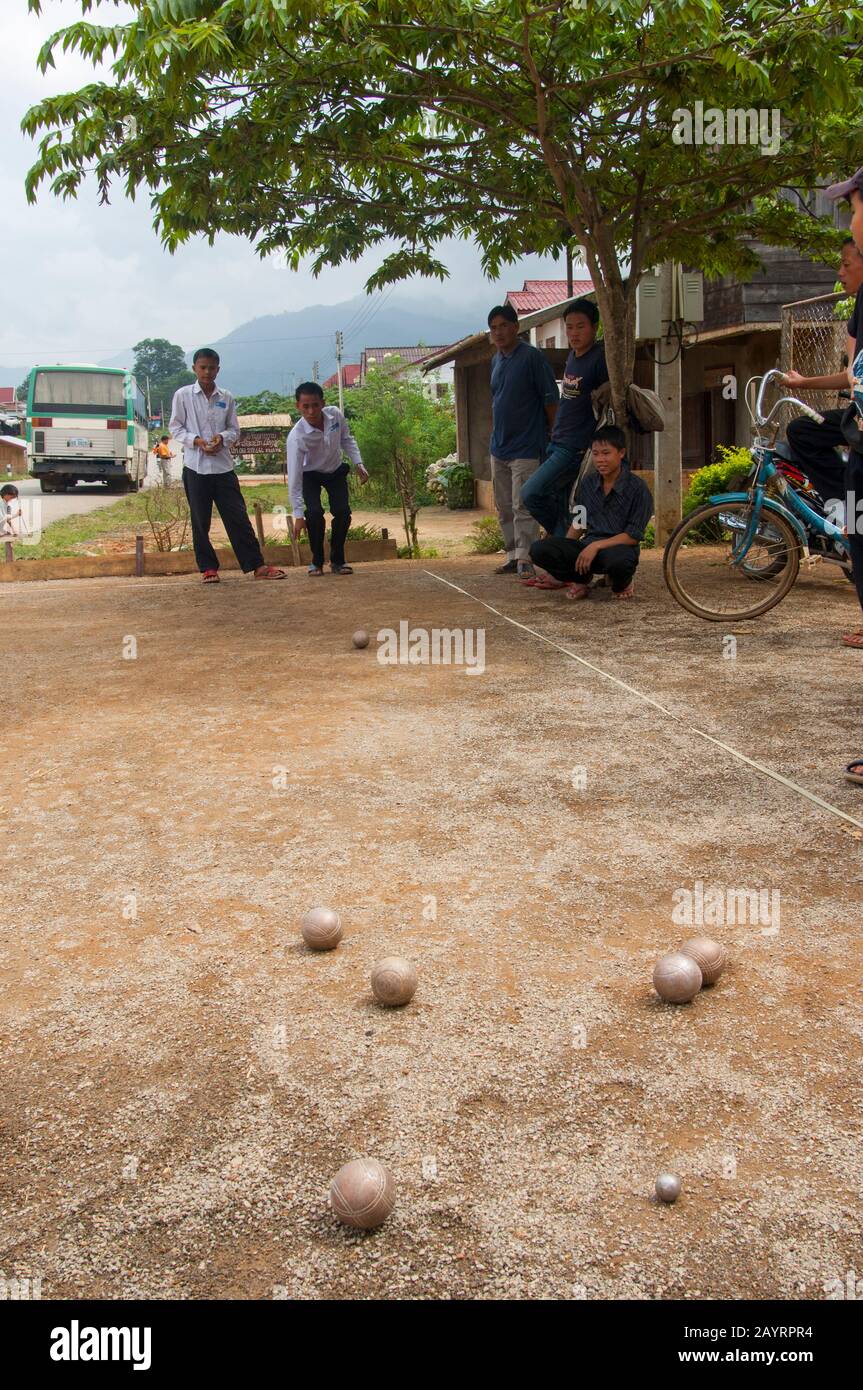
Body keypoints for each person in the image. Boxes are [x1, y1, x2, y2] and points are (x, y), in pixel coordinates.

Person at [169, 348, 284, 583]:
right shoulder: (183, 395)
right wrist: (197, 441)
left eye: (212, 368)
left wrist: (221, 438)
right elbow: (175, 428)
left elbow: (234, 430)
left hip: (223, 468)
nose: (207, 372)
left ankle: (257, 565)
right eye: (203, 367)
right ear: (194, 368)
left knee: (238, 518)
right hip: (195, 468)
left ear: (218, 369)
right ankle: (208, 568)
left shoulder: (226, 397)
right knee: (200, 521)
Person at [526, 424, 652, 601]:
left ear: (621, 453)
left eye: (606, 453)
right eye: (596, 453)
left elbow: (633, 535)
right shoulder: (587, 483)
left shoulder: (638, 488)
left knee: (621, 562)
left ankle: (623, 583)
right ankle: (581, 580)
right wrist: (563, 553)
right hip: (587, 549)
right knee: (539, 549)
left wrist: (596, 546)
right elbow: (579, 522)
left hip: (617, 549)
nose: (600, 459)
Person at [781, 237, 863, 502]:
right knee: (802, 431)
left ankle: (846, 512)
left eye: (846, 264)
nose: (840, 273)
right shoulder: (859, 306)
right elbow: (852, 373)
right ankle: (843, 512)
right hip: (856, 417)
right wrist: (802, 382)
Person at [521, 298, 609, 538]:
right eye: (569, 327)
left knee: (530, 493)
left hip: (575, 447)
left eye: (581, 326)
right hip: (558, 440)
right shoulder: (573, 356)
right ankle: (563, 556)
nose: (574, 332)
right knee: (559, 504)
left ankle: (565, 542)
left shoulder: (600, 359)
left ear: (594, 327)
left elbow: (606, 405)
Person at [487, 304, 559, 579]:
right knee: (504, 505)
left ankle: (527, 559)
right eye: (494, 328)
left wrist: (554, 436)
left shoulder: (532, 358)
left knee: (522, 505)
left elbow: (551, 400)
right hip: (499, 446)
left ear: (516, 327)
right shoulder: (496, 360)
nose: (499, 332)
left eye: (503, 325)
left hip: (528, 446)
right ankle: (511, 556)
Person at [287, 382, 369, 575]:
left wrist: (358, 463)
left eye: (315, 405)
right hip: (310, 475)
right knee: (314, 514)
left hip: (335, 470)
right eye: (305, 406)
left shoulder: (335, 415)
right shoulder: (296, 437)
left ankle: (338, 560)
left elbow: (346, 439)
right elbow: (295, 478)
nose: (311, 410)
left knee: (342, 512)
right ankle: (316, 561)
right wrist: (298, 515)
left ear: (322, 403)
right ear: (297, 406)